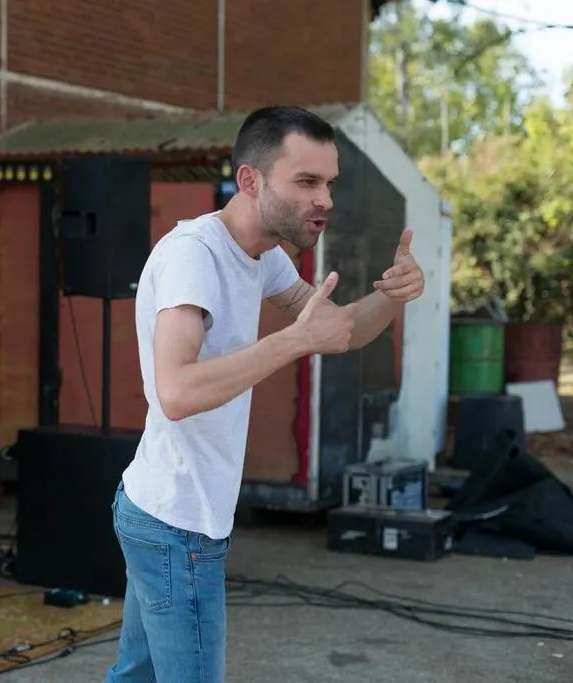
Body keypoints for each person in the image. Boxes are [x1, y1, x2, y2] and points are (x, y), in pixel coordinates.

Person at [105, 106, 426, 682]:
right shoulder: (195, 255)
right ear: (250, 180)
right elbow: (176, 391)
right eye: (306, 182)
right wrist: (292, 342)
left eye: (329, 183)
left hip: (165, 510)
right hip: (177, 522)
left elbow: (338, 331)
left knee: (134, 678)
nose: (324, 199)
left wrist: (393, 296)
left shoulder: (262, 255)